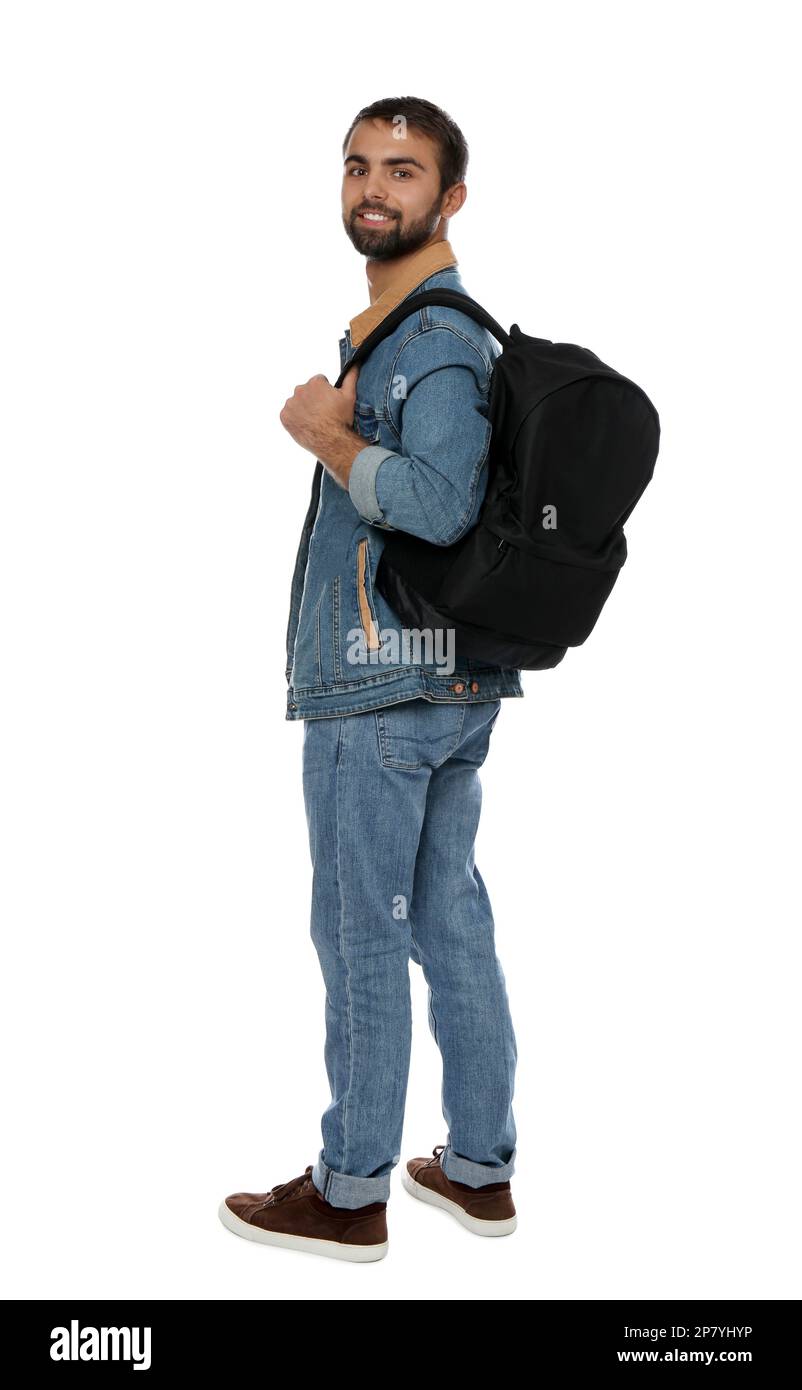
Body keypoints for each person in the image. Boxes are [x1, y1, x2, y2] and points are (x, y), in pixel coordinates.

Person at [219, 97, 521, 1262]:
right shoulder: (407, 329)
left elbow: (439, 504)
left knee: (358, 933)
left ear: (449, 199)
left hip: (381, 685)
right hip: (443, 677)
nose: (371, 189)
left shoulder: (434, 341)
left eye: (402, 170)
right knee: (444, 918)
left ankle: (349, 1191)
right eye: (356, 165)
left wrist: (324, 436)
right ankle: (479, 1166)